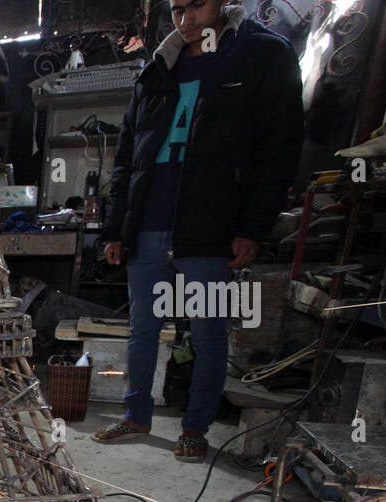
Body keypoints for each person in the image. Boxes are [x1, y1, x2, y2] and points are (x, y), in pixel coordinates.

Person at [94, 0, 303, 461]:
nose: (186, 19)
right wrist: (116, 229)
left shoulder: (259, 54)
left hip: (209, 229)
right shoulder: (157, 70)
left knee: (208, 333)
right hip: (149, 228)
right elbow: (127, 160)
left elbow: (278, 148)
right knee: (142, 330)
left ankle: (195, 427)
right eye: (177, 9)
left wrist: (253, 227)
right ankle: (136, 416)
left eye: (197, 6)